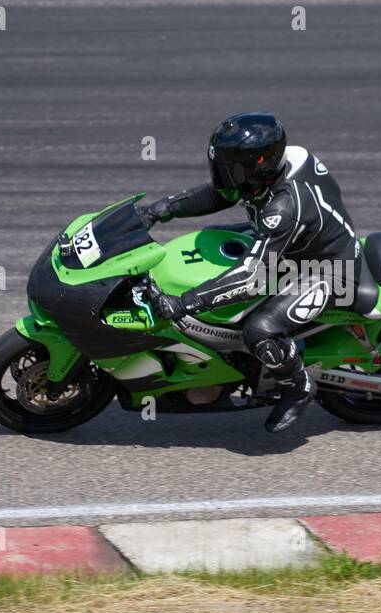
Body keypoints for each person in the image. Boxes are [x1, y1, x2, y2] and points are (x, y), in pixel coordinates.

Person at [137, 112, 360, 433]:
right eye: (222, 165)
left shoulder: (283, 207)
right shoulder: (278, 166)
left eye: (233, 168)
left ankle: (298, 386)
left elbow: (252, 278)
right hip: (294, 248)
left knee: (260, 329)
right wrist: (161, 209)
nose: (224, 174)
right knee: (211, 241)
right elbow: (221, 193)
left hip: (328, 270)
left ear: (261, 164)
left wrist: (184, 303)